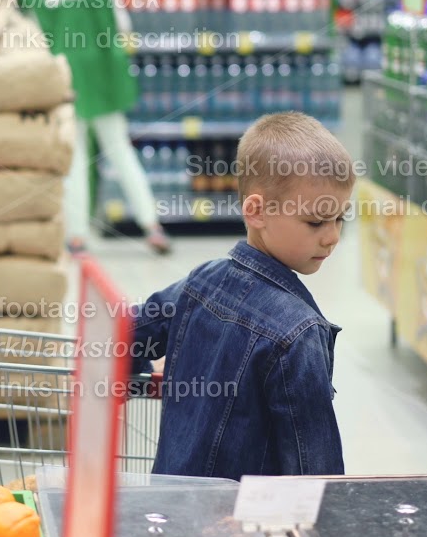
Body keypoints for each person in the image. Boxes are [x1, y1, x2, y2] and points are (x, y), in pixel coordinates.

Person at [131, 111, 354, 479]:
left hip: (170, 507)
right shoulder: (298, 334)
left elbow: (125, 334)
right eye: (315, 221)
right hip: (243, 529)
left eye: (340, 218)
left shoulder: (200, 281)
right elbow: (314, 469)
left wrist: (141, 377)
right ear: (257, 211)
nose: (332, 236)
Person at [18, 0, 171, 256]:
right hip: (106, 77)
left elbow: (37, 44)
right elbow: (123, 28)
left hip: (67, 81)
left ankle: (77, 236)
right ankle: (152, 225)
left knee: (75, 159)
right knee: (120, 150)